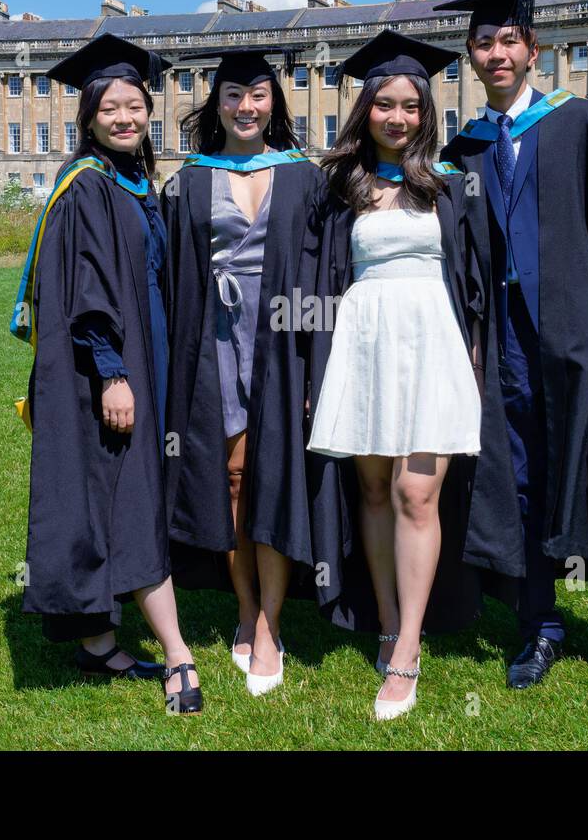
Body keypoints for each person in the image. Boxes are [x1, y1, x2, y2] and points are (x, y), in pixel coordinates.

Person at [436, 0, 588, 696]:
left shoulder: (583, 123)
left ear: (532, 51)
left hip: (580, 332)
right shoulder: (466, 149)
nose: (498, 54)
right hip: (503, 340)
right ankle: (538, 627)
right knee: (521, 480)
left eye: (510, 41)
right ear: (472, 57)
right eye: (485, 44)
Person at [304, 30, 524, 721]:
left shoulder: (451, 187)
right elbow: (316, 279)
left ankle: (406, 652)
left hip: (431, 343)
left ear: (426, 115)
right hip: (364, 344)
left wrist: (477, 353)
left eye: (411, 106)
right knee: (371, 488)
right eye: (385, 105)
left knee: (414, 493)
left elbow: (476, 281)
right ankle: (389, 621)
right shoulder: (340, 188)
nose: (398, 117)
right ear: (365, 110)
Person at [9, 32, 201, 714]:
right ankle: (178, 652)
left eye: (133, 105)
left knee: (105, 494)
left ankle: (95, 642)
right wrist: (113, 373)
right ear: (89, 117)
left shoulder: (135, 181)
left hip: (145, 354)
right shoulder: (86, 186)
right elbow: (86, 289)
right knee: (131, 496)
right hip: (108, 371)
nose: (123, 117)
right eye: (109, 108)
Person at [163, 47, 333, 697]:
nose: (246, 106)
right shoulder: (188, 182)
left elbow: (327, 271)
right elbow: (166, 273)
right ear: (217, 103)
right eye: (234, 94)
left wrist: (321, 364)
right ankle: (245, 609)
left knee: (276, 478)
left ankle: (271, 623)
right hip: (216, 342)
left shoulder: (304, 179)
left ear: (274, 102)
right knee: (233, 478)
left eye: (258, 93)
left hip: (286, 337)